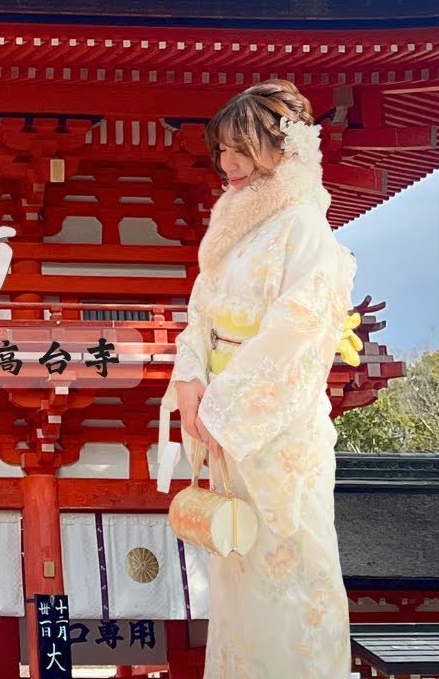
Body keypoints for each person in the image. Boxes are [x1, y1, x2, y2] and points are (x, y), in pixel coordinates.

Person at [160, 79, 362, 678]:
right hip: (224, 421)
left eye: (240, 149)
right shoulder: (235, 229)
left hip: (273, 436)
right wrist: (192, 379)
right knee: (238, 568)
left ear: (283, 149)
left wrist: (222, 411)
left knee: (289, 565)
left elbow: (297, 332)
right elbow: (201, 313)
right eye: (221, 151)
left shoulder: (304, 226)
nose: (228, 166)